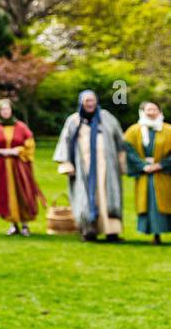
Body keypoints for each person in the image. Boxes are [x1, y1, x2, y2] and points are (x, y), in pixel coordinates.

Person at [53, 90, 124, 241]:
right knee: (85, 198)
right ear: (81, 103)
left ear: (96, 101)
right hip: (83, 168)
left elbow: (120, 141)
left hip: (106, 168)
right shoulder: (74, 121)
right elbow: (64, 143)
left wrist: (121, 162)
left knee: (108, 198)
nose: (90, 104)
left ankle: (112, 232)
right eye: (87, 101)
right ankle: (89, 231)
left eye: (92, 101)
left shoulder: (107, 118)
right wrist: (66, 164)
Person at [0, 98, 44, 235]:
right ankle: (13, 224)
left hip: (20, 166)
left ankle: (25, 224)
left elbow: (29, 144)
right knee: (6, 193)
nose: (6, 112)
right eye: (3, 110)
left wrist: (19, 151)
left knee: (23, 192)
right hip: (2, 167)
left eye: (8, 109)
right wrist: (2, 151)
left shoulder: (21, 127)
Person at [123, 100, 171, 244]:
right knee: (148, 203)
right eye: (148, 110)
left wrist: (161, 165)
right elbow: (128, 151)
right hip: (144, 174)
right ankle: (154, 234)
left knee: (164, 201)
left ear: (159, 111)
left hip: (163, 174)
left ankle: (163, 230)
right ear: (142, 111)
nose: (151, 112)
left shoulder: (168, 130)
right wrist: (143, 166)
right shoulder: (134, 131)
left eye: (154, 109)